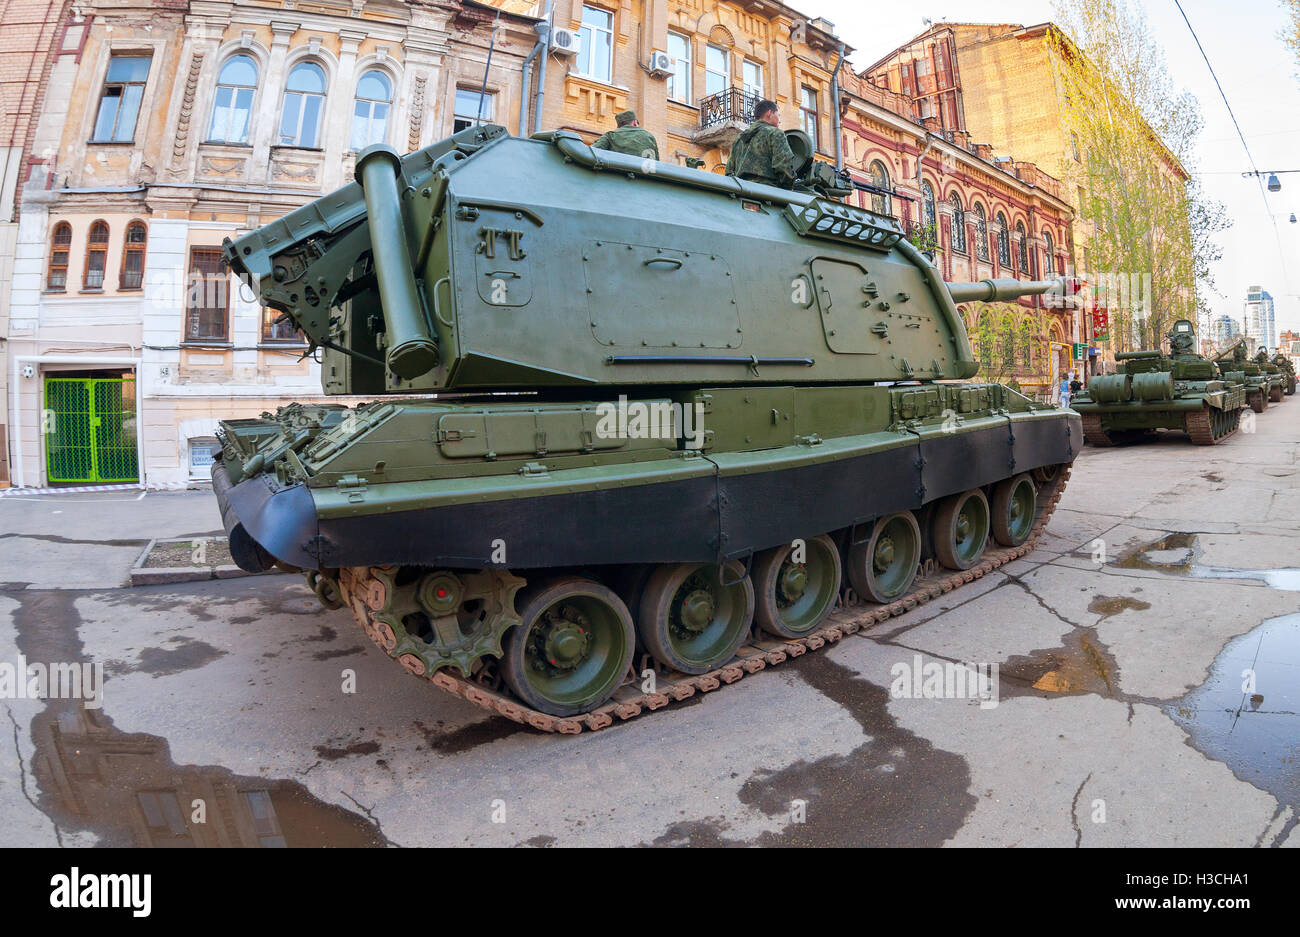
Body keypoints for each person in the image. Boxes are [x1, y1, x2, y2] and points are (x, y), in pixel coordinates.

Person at [725, 99, 797, 189]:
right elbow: (783, 166)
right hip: (768, 193)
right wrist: (789, 188)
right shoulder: (775, 133)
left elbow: (729, 171)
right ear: (770, 113)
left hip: (742, 192)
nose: (780, 120)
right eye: (778, 115)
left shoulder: (739, 138)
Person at [592, 110, 659, 160]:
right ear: (635, 122)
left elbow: (592, 152)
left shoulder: (610, 135)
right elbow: (657, 163)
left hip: (617, 176)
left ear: (618, 127)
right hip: (644, 177)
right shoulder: (649, 136)